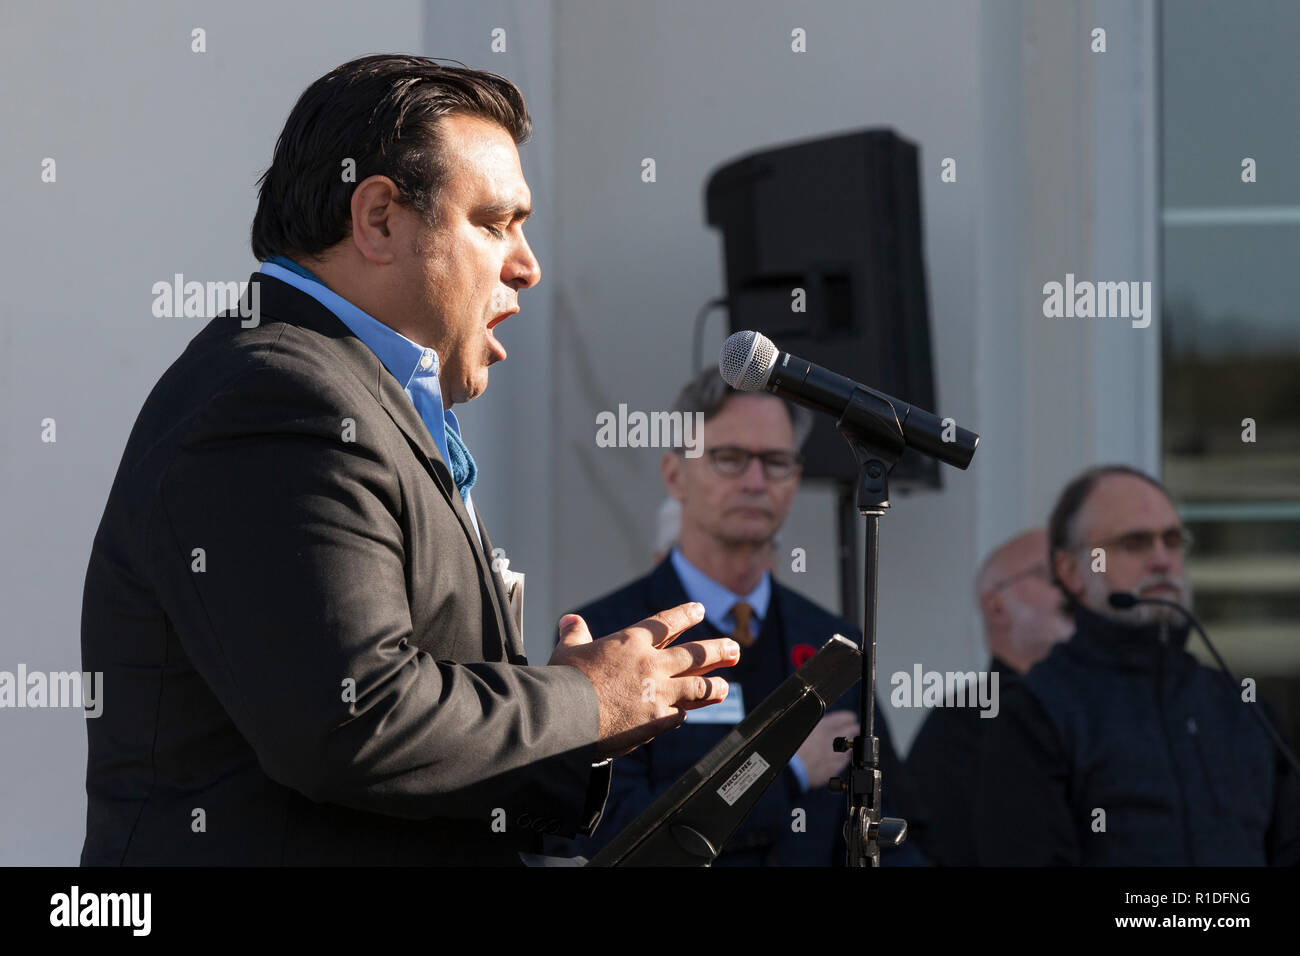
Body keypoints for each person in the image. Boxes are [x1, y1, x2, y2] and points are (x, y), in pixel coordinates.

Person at [79, 54, 739, 866]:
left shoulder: (358, 396)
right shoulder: (278, 398)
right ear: (380, 218)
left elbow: (405, 742)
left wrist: (580, 726)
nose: (527, 264)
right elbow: (353, 721)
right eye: (496, 223)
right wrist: (585, 700)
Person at [557, 367, 917, 865]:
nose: (754, 481)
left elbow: (888, 828)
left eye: (774, 462)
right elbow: (616, 831)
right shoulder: (615, 635)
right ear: (675, 474)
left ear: (795, 477)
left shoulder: (834, 644)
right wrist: (786, 776)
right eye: (729, 459)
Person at [976, 464, 1300, 865]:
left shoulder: (1243, 709)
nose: (1162, 560)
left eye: (1173, 539)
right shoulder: (1035, 713)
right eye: (1134, 543)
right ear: (1071, 570)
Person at [906, 528, 1072, 865]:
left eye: (1076, 573)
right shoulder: (961, 722)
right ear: (997, 607)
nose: (1073, 590)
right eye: (1052, 574)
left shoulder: (1104, 706)